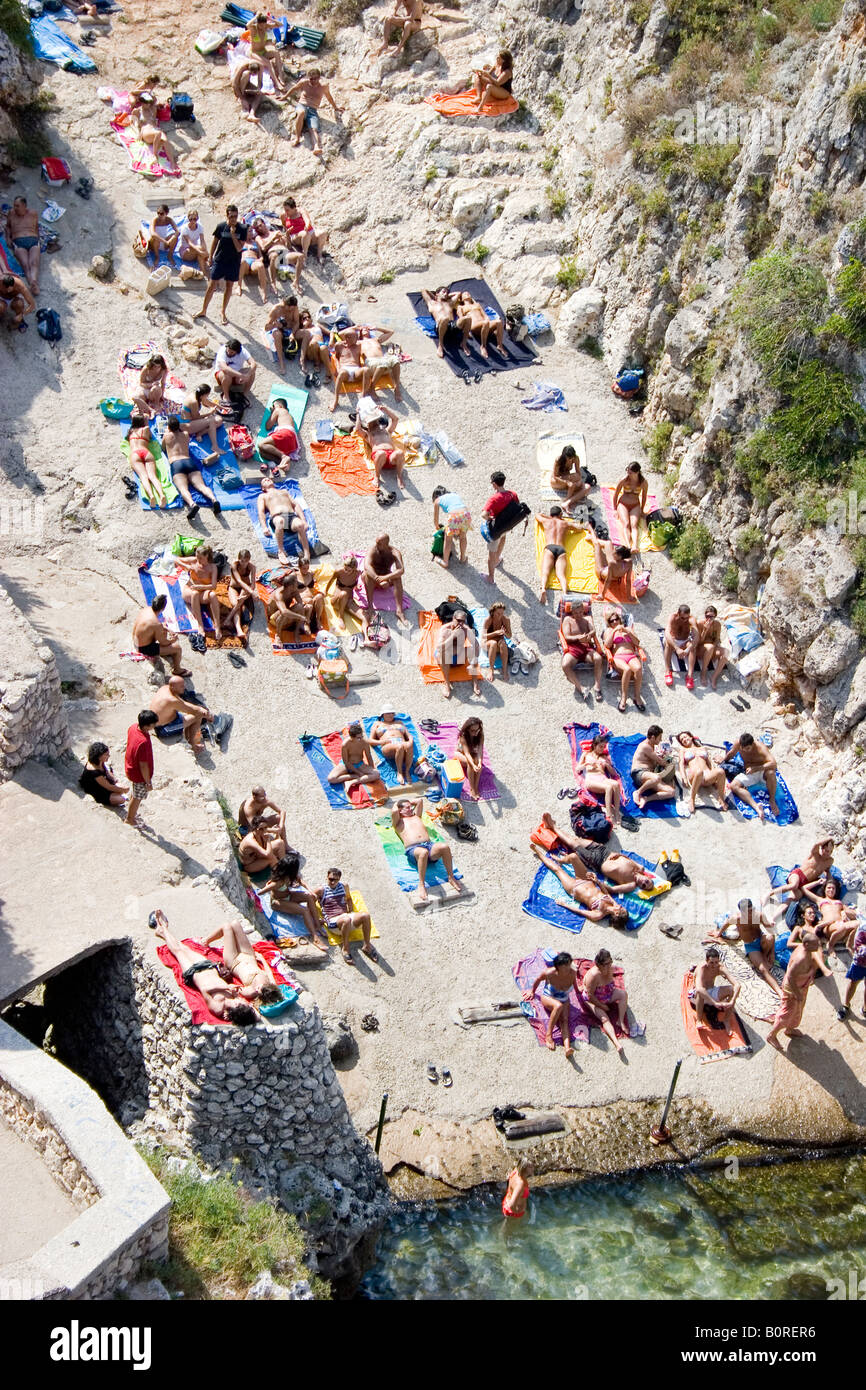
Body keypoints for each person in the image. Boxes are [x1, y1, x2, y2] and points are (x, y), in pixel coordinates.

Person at [152, 911, 259, 1024]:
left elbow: (205, 990)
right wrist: (230, 989)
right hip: (208, 968)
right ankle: (163, 930)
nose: (243, 1000)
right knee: (186, 949)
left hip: (194, 973)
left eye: (242, 1003)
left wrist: (226, 988)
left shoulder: (219, 1007)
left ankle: (164, 930)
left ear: (237, 1006)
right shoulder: (233, 996)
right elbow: (256, 1015)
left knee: (178, 951)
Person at [532, 813, 657, 893]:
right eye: (647, 881)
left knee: (572, 843)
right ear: (647, 876)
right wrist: (618, 855)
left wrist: (598, 881)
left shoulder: (630, 885)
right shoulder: (640, 867)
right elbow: (627, 859)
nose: (643, 882)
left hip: (596, 861)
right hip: (605, 851)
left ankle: (552, 827)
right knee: (576, 840)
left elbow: (612, 890)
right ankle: (554, 828)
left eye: (644, 886)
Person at [530, 844, 630, 925]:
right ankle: (561, 860)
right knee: (574, 857)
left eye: (621, 908)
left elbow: (580, 912)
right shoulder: (613, 903)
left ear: (616, 913)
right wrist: (597, 881)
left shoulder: (598, 915)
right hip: (586, 879)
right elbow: (606, 893)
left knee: (557, 870)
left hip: (574, 888)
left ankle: (538, 853)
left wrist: (565, 904)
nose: (620, 905)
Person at [392, 796, 466, 902]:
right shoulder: (398, 822)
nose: (411, 808)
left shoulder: (416, 816)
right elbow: (394, 810)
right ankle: (421, 884)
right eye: (407, 808)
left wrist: (408, 802)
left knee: (444, 847)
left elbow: (419, 801)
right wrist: (398, 804)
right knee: (423, 852)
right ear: (400, 810)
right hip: (414, 850)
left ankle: (451, 877)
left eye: (410, 807)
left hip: (429, 846)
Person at [766, 930, 830, 1051]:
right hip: (793, 989)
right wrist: (796, 993)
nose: (817, 947)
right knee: (786, 1013)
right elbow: (790, 977)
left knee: (798, 1010)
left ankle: (789, 1029)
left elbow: (815, 958)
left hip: (801, 986)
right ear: (806, 945)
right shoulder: (800, 958)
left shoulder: (808, 950)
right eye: (815, 944)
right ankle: (772, 1035)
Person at [705, 898, 783, 998]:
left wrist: (771, 952)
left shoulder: (759, 915)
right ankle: (779, 992)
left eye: (752, 909)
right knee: (763, 969)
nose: (751, 912)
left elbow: (771, 931)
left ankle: (764, 955)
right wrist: (718, 933)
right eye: (748, 911)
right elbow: (726, 924)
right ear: (742, 912)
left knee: (770, 937)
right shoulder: (737, 918)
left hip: (761, 939)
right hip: (751, 946)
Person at [201, 919, 282, 1004]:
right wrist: (262, 959)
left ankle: (205, 941)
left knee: (226, 927)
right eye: (259, 988)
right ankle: (208, 940)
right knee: (235, 924)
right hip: (248, 955)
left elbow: (236, 989)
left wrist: (252, 993)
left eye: (258, 992)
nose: (257, 989)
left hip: (234, 961)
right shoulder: (271, 983)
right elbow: (269, 971)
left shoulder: (250, 992)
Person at [264, 854, 330, 952]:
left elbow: (301, 881)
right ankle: (315, 937)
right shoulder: (277, 879)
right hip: (277, 902)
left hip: (288, 896)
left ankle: (317, 925)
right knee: (304, 910)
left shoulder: (291, 875)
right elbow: (264, 890)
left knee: (310, 897)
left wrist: (310, 891)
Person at [195, 207, 249, 325]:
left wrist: (233, 234)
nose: (234, 219)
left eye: (235, 216)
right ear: (227, 216)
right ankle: (204, 310)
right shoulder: (221, 226)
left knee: (229, 287)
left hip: (233, 262)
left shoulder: (243, 229)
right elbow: (215, 242)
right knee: (211, 285)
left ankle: (223, 312)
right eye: (231, 216)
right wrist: (210, 257)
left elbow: (239, 248)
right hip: (220, 260)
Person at [315, 866, 378, 965]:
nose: (332, 882)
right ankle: (345, 948)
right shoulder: (321, 890)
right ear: (327, 877)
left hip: (346, 917)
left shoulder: (344, 886)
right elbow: (310, 902)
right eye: (330, 879)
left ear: (339, 879)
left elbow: (348, 898)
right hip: (334, 922)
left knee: (365, 916)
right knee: (346, 920)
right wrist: (317, 918)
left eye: (335, 880)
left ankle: (367, 945)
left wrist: (351, 911)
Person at [164, 415, 221, 522]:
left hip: (176, 463)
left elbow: (163, 447)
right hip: (188, 461)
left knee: (183, 489)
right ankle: (214, 500)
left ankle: (192, 504)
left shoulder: (167, 436)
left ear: (169, 427)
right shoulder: (185, 434)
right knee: (201, 486)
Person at [521, 950, 577, 1056]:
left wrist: (579, 993)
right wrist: (532, 991)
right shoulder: (549, 973)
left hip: (564, 997)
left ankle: (567, 1048)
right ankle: (548, 1035)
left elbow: (574, 984)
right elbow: (538, 980)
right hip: (548, 997)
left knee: (564, 1020)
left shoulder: (572, 973)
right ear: (559, 967)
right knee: (558, 1006)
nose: (569, 967)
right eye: (567, 966)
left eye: (569, 964)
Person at [578, 948, 631, 1053]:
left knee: (623, 994)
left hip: (607, 993)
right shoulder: (593, 976)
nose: (610, 964)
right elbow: (590, 995)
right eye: (607, 963)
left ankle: (620, 1021)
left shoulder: (610, 968)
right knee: (605, 1019)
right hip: (594, 999)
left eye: (610, 961)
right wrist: (602, 1006)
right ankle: (617, 1043)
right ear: (599, 965)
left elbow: (611, 984)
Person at [720, 732, 779, 821]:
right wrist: (723, 761)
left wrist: (756, 768)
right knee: (733, 786)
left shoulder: (761, 748)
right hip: (750, 772)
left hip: (762, 770)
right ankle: (756, 807)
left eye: (748, 748)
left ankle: (772, 800)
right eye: (743, 749)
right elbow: (731, 753)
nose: (745, 750)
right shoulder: (738, 744)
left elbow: (773, 764)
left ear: (753, 744)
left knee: (771, 773)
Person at [286, 69, 342, 158]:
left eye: (315, 78)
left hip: (313, 110)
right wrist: (285, 96)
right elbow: (294, 88)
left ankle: (316, 147)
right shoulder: (304, 83)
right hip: (302, 105)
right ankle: (297, 138)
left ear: (319, 78)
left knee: (313, 129)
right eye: (311, 79)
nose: (312, 81)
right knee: (301, 113)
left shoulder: (323, 87)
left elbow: (329, 97)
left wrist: (335, 108)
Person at [149, 675, 213, 753]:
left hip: (166, 719)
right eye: (181, 686)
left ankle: (189, 738)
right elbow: (194, 710)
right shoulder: (171, 700)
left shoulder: (165, 688)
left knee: (195, 715)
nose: (184, 687)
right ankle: (193, 745)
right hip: (164, 728)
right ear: (173, 687)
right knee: (198, 715)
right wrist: (208, 715)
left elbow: (183, 704)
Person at [800, 877, 859, 961]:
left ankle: (849, 944)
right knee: (841, 927)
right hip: (829, 926)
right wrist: (817, 882)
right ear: (824, 889)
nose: (831, 890)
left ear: (836, 891)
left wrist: (844, 912)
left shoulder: (840, 902)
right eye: (829, 888)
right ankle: (831, 946)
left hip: (841, 924)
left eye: (833, 888)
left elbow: (854, 914)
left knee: (859, 924)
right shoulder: (820, 900)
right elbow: (804, 889)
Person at [536, 505, 585, 604]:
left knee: (545, 572)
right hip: (561, 549)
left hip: (549, 548)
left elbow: (537, 515)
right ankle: (565, 593)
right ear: (560, 515)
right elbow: (579, 528)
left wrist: (549, 517)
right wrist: (563, 520)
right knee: (561, 575)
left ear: (551, 514)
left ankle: (543, 589)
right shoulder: (565, 523)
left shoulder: (546, 521)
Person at [132, 595, 190, 676]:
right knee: (177, 648)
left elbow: (153, 626)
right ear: (163, 608)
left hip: (136, 642)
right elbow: (164, 643)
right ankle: (177, 670)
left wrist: (166, 628)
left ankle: (166, 651)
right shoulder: (156, 623)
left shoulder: (146, 610)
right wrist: (174, 639)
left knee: (163, 627)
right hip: (143, 648)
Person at [355, 402, 407, 491]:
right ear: (367, 425)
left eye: (375, 421)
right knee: (381, 453)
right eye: (371, 422)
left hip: (391, 457)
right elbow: (358, 429)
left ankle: (399, 476)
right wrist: (358, 415)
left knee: (400, 452)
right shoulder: (368, 435)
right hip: (379, 456)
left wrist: (386, 410)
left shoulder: (386, 431)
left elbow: (395, 419)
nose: (373, 423)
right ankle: (377, 476)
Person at [258, 478, 310, 564]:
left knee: (300, 525)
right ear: (263, 488)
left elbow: (295, 505)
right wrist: (264, 527)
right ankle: (281, 551)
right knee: (280, 521)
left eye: (269, 479)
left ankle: (307, 553)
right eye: (264, 480)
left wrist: (303, 520)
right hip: (277, 517)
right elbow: (261, 511)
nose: (267, 479)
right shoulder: (263, 496)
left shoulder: (284, 491)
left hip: (291, 516)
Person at [675, 730, 729, 814]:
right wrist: (684, 777)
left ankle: (721, 798)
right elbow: (681, 764)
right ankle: (692, 799)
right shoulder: (683, 750)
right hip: (694, 776)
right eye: (682, 740)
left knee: (720, 771)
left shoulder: (702, 748)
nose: (684, 740)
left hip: (707, 775)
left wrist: (714, 776)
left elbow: (709, 762)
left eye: (685, 737)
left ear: (691, 737)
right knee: (699, 771)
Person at [602, 611, 646, 713]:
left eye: (616, 619)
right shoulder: (608, 631)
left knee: (639, 668)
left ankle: (637, 697)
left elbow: (637, 643)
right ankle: (624, 697)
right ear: (609, 623)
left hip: (631, 655)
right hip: (618, 657)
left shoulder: (629, 629)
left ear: (619, 619)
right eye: (611, 621)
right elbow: (607, 646)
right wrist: (614, 632)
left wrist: (628, 632)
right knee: (627, 669)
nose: (614, 622)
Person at [576, 732, 623, 827]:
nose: (602, 749)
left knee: (616, 784)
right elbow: (577, 769)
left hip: (602, 778)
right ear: (594, 745)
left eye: (604, 747)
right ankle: (610, 815)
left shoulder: (604, 757)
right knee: (609, 787)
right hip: (591, 779)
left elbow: (613, 774)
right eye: (600, 746)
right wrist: (586, 765)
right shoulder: (586, 754)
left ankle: (617, 812)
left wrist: (607, 765)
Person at [560, 602, 604, 703]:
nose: (579, 615)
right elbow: (566, 636)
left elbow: (593, 631)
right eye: (576, 613)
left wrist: (588, 636)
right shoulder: (568, 620)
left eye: (580, 612)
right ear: (572, 612)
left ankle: (597, 686)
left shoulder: (588, 619)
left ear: (583, 610)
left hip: (586, 648)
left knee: (598, 658)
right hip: (574, 648)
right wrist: (579, 638)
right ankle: (581, 688)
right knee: (565, 665)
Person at [690, 946, 741, 1032]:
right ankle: (699, 1020)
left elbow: (737, 985)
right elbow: (699, 989)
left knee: (731, 990)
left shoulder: (720, 968)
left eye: (716, 962)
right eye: (711, 963)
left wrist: (732, 1000)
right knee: (700, 992)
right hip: (698, 996)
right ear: (706, 961)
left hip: (712, 991)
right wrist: (714, 1003)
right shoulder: (701, 968)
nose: (714, 965)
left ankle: (726, 1019)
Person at [177, 544, 223, 639]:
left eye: (200, 558)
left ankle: (217, 626)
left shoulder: (212, 567)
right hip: (190, 590)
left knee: (213, 595)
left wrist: (199, 586)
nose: (198, 560)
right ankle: (200, 625)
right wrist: (187, 566)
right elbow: (176, 560)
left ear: (207, 557)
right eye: (197, 557)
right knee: (195, 593)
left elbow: (213, 586)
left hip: (202, 591)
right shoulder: (194, 561)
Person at [436, 608, 482, 698]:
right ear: (453, 618)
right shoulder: (445, 629)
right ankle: (447, 683)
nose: (460, 623)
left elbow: (476, 645)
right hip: (444, 657)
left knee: (473, 651)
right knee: (443, 654)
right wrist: (453, 636)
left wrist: (474, 661)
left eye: (463, 621)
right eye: (458, 620)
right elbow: (439, 648)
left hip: (458, 657)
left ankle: (475, 681)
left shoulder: (465, 629)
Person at [327, 721, 384, 795]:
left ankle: (352, 781)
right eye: (358, 738)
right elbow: (346, 762)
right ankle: (354, 776)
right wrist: (358, 773)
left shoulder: (364, 742)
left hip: (359, 764)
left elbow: (369, 756)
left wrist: (372, 769)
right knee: (331, 779)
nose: (361, 739)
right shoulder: (345, 744)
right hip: (346, 765)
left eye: (361, 736)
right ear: (351, 737)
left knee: (377, 774)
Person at [481, 471, 519, 583]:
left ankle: (490, 577)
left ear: (494, 484)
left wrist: (490, 519)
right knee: (503, 538)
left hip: (497, 528)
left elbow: (483, 514)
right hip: (508, 525)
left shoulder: (494, 499)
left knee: (491, 553)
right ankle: (497, 559)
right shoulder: (512, 494)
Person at [630, 725, 678, 809]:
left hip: (649, 776)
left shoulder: (651, 746)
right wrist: (669, 765)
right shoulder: (645, 746)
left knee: (671, 792)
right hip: (639, 773)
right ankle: (638, 792)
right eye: (659, 738)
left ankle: (646, 799)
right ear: (653, 737)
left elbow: (655, 761)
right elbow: (660, 762)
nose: (661, 740)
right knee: (656, 778)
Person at [124, 709, 158, 826]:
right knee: (137, 796)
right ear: (147, 725)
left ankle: (130, 812)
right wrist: (148, 782)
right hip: (138, 774)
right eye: (153, 724)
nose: (155, 725)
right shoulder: (143, 742)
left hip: (130, 766)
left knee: (135, 792)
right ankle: (130, 819)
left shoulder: (133, 727)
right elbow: (143, 765)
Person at [363, 534, 407, 621]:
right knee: (366, 574)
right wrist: (377, 579)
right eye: (376, 543)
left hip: (385, 576)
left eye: (379, 544)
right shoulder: (372, 550)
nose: (376, 545)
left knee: (397, 577)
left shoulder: (394, 552)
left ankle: (399, 610)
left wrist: (385, 578)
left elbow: (401, 570)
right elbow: (367, 566)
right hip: (374, 576)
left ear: (386, 544)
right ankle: (370, 607)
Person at [126, 413, 167, 508]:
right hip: (146, 452)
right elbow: (151, 437)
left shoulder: (130, 431)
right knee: (153, 476)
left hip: (135, 453)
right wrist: (147, 423)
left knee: (143, 476)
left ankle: (151, 496)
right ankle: (161, 495)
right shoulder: (146, 429)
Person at [327, 555, 371, 640]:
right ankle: (341, 616)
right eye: (345, 568)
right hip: (337, 600)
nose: (345, 570)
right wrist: (325, 591)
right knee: (344, 594)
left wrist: (356, 586)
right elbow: (330, 580)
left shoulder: (357, 573)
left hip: (348, 601)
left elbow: (357, 580)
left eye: (348, 570)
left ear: (354, 569)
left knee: (366, 617)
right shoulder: (339, 571)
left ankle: (366, 639)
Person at [369, 706, 415, 784]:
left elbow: (409, 735)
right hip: (388, 745)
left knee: (409, 745)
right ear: (382, 715)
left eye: (392, 713)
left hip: (402, 742)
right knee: (399, 746)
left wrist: (410, 741)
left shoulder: (399, 722)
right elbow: (370, 740)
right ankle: (399, 772)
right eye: (387, 713)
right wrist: (382, 742)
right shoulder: (377, 724)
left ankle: (407, 771)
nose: (390, 715)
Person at [130, 91, 177, 171]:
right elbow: (132, 123)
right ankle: (154, 155)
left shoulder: (153, 108)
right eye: (146, 103)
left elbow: (156, 100)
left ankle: (172, 163)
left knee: (165, 140)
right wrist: (138, 133)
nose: (148, 105)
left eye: (149, 103)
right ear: (142, 102)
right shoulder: (137, 111)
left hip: (155, 129)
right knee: (158, 133)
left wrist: (149, 93)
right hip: (146, 131)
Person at [266, 571, 314, 642]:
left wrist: (306, 613)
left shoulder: (294, 591)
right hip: (275, 619)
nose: (297, 585)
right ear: (291, 586)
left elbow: (300, 604)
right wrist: (301, 617)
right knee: (284, 613)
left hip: (286, 616)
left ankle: (296, 632)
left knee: (300, 606)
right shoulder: (279, 595)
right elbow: (284, 611)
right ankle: (278, 635)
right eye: (295, 584)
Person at [454, 289, 504, 357]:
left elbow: (485, 316)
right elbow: (462, 319)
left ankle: (500, 345)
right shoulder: (461, 307)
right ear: (462, 299)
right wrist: (466, 331)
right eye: (465, 294)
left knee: (499, 322)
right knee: (485, 323)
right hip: (474, 326)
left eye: (468, 293)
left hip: (485, 324)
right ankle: (483, 346)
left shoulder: (477, 304)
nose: (467, 294)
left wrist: (490, 323)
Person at [248, 11, 288, 94]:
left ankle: (280, 76)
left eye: (263, 24)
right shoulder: (254, 29)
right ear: (258, 23)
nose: (262, 26)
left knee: (276, 53)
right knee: (268, 63)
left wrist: (270, 18)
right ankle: (277, 83)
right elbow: (247, 24)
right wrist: (256, 17)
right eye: (260, 24)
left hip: (263, 51)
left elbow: (280, 25)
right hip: (255, 53)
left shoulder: (266, 26)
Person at [432, 485, 471, 568]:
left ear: (435, 496)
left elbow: (436, 520)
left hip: (454, 516)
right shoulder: (454, 494)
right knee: (463, 537)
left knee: (448, 539)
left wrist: (439, 528)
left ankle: (445, 562)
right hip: (466, 514)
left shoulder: (437, 500)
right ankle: (463, 558)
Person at [180, 384, 223, 459]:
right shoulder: (194, 402)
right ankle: (214, 446)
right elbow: (195, 418)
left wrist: (222, 408)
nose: (207, 397)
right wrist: (210, 413)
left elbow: (208, 402)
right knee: (211, 421)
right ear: (202, 395)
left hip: (193, 421)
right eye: (207, 395)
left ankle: (199, 433)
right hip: (187, 425)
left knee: (219, 420)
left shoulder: (197, 395)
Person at [589, 529, 633, 603]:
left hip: (601, 571)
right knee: (609, 543)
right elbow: (628, 580)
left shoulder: (612, 563)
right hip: (613, 570)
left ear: (620, 556)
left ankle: (591, 531)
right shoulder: (629, 562)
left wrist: (602, 595)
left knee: (596, 545)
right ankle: (593, 537)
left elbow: (608, 581)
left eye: (615, 553)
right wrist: (629, 596)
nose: (613, 552)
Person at [612, 462, 648, 552]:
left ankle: (635, 546)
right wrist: (615, 509)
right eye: (627, 471)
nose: (628, 473)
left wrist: (642, 510)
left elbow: (644, 497)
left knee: (634, 525)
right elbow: (616, 494)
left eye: (630, 472)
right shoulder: (624, 480)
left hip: (635, 505)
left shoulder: (643, 482)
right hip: (623, 504)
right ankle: (628, 545)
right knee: (626, 524)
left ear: (637, 472)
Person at [8, 196, 41, 293]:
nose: (15, 208)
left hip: (33, 240)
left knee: (34, 263)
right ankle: (33, 284)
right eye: (14, 206)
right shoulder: (11, 213)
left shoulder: (33, 213)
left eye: (17, 206)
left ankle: (33, 282)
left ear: (24, 206)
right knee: (25, 265)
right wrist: (8, 237)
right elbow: (8, 227)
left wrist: (38, 238)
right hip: (19, 241)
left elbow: (36, 227)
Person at [360, 326, 403, 402]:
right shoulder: (358, 342)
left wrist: (376, 328)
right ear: (359, 332)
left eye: (367, 329)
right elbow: (342, 334)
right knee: (382, 364)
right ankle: (372, 388)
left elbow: (391, 331)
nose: (365, 329)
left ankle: (396, 387)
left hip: (383, 361)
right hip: (371, 363)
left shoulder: (376, 340)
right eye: (363, 329)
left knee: (395, 359)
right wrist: (355, 328)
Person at [79, 742, 127, 808]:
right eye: (106, 755)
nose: (108, 756)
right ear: (99, 756)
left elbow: (106, 771)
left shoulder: (99, 761)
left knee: (121, 787)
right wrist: (123, 790)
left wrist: (114, 780)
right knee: (121, 799)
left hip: (102, 785)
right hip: (97, 791)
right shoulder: (94, 771)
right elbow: (109, 787)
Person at [663, 604, 700, 690]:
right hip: (673, 639)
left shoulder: (691, 619)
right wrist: (676, 648)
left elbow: (697, 636)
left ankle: (690, 676)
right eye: (683, 618)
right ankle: (668, 671)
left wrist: (687, 650)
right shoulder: (673, 617)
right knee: (668, 644)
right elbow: (667, 633)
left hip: (684, 640)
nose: (685, 620)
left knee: (693, 647)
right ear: (678, 613)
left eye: (687, 618)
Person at [281, 198, 329, 263]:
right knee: (305, 234)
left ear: (294, 208)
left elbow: (307, 219)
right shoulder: (284, 215)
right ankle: (305, 255)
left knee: (322, 233)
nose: (286, 212)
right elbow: (284, 225)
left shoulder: (301, 211)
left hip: (308, 232)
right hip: (296, 235)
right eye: (285, 210)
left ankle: (319, 254)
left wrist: (307, 225)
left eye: (287, 210)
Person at [258, 398, 299, 474]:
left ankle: (284, 457)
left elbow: (268, 426)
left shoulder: (279, 410)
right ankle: (284, 463)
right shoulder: (287, 416)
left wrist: (272, 413)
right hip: (290, 440)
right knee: (262, 452)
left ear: (279, 405)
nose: (272, 408)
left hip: (285, 433)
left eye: (273, 406)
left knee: (261, 444)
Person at [237, 218, 273, 303]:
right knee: (242, 262)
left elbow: (260, 256)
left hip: (254, 261)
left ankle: (264, 292)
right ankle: (239, 286)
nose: (250, 233)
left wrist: (260, 260)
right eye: (248, 231)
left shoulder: (255, 242)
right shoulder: (240, 243)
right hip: (245, 262)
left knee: (260, 265)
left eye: (251, 231)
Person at [330, 328, 368, 409]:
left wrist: (363, 364)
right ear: (346, 338)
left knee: (366, 370)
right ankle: (336, 400)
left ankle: (363, 396)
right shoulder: (339, 345)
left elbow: (365, 353)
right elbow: (336, 358)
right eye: (354, 337)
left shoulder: (359, 345)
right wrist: (337, 368)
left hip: (356, 371)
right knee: (342, 373)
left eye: (356, 337)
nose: (356, 339)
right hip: (345, 370)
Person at [838, 918, 866, 1020]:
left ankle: (865, 1009)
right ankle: (846, 1005)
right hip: (860, 963)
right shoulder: (863, 927)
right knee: (853, 982)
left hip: (861, 960)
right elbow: (858, 948)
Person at [264, 297, 300, 374]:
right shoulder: (276, 309)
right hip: (278, 329)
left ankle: (303, 361)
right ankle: (281, 363)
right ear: (284, 303)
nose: (291, 310)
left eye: (292, 308)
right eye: (289, 308)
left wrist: (292, 333)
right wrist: (275, 325)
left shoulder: (295, 308)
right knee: (277, 334)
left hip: (290, 329)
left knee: (305, 333)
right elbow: (266, 327)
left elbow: (297, 322)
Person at [214, 338, 257, 403]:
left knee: (252, 373)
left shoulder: (243, 351)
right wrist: (241, 375)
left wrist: (247, 375)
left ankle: (244, 395)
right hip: (222, 375)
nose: (228, 353)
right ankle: (226, 397)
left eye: (231, 352)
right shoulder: (222, 351)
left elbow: (254, 364)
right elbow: (225, 368)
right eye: (228, 350)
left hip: (237, 373)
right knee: (227, 375)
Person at [227, 550, 258, 639]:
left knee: (240, 600)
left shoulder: (252, 567)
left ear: (249, 560)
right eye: (242, 561)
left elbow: (252, 584)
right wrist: (252, 593)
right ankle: (237, 628)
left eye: (246, 561)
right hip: (234, 587)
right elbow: (239, 581)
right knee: (236, 603)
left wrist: (249, 592)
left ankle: (230, 622)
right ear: (239, 559)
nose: (244, 564)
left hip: (246, 588)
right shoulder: (234, 565)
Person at [550, 445, 591, 513]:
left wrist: (578, 481)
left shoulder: (575, 458)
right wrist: (566, 482)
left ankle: (567, 502)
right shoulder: (558, 460)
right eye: (568, 458)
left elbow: (578, 473)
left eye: (571, 458)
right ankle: (569, 499)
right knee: (571, 485)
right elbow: (555, 476)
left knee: (587, 487)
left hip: (568, 477)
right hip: (559, 480)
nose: (570, 460)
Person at [697, 605, 728, 689]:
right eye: (707, 616)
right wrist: (704, 630)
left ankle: (714, 677)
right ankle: (703, 673)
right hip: (700, 649)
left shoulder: (717, 625)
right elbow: (699, 642)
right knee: (710, 647)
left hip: (711, 648)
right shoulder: (700, 623)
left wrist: (714, 648)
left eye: (712, 617)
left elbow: (717, 639)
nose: (709, 618)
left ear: (715, 617)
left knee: (726, 652)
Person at [421, 287, 457, 357]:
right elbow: (424, 290)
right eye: (443, 292)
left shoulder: (449, 303)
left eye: (447, 293)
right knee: (445, 319)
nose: (446, 294)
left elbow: (458, 294)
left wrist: (446, 295)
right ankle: (440, 345)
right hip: (441, 326)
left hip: (453, 327)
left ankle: (464, 343)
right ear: (437, 294)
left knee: (466, 318)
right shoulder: (432, 303)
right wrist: (435, 297)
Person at [455, 716, 485, 800]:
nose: (475, 733)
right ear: (467, 729)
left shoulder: (480, 735)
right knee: (470, 764)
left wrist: (479, 762)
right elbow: (467, 754)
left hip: (472, 753)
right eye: (472, 730)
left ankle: (475, 786)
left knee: (478, 764)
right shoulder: (463, 736)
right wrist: (473, 764)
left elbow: (480, 751)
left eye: (477, 730)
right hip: (460, 753)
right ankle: (472, 789)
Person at [231, 53, 266, 126]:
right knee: (246, 74)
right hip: (239, 83)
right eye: (253, 74)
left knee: (260, 95)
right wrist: (242, 97)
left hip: (247, 83)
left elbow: (260, 81)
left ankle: (252, 114)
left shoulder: (260, 66)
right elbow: (234, 84)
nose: (254, 75)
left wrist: (259, 89)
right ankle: (243, 100)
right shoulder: (242, 67)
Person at [483, 602, 511, 682]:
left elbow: (509, 636)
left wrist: (504, 632)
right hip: (487, 643)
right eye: (498, 613)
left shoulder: (506, 620)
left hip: (499, 642)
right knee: (493, 643)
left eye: (502, 613)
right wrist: (495, 633)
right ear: (493, 612)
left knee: (503, 644)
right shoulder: (488, 620)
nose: (500, 615)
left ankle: (504, 670)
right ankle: (491, 670)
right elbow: (483, 636)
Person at [178, 209, 209, 276]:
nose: (192, 221)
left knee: (201, 252)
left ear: (197, 218)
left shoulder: (200, 227)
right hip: (185, 251)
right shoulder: (184, 228)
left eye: (194, 219)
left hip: (195, 249)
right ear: (188, 219)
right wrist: (201, 252)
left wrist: (204, 250)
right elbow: (189, 243)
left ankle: (203, 271)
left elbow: (202, 240)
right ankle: (204, 271)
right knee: (200, 251)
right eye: (190, 219)